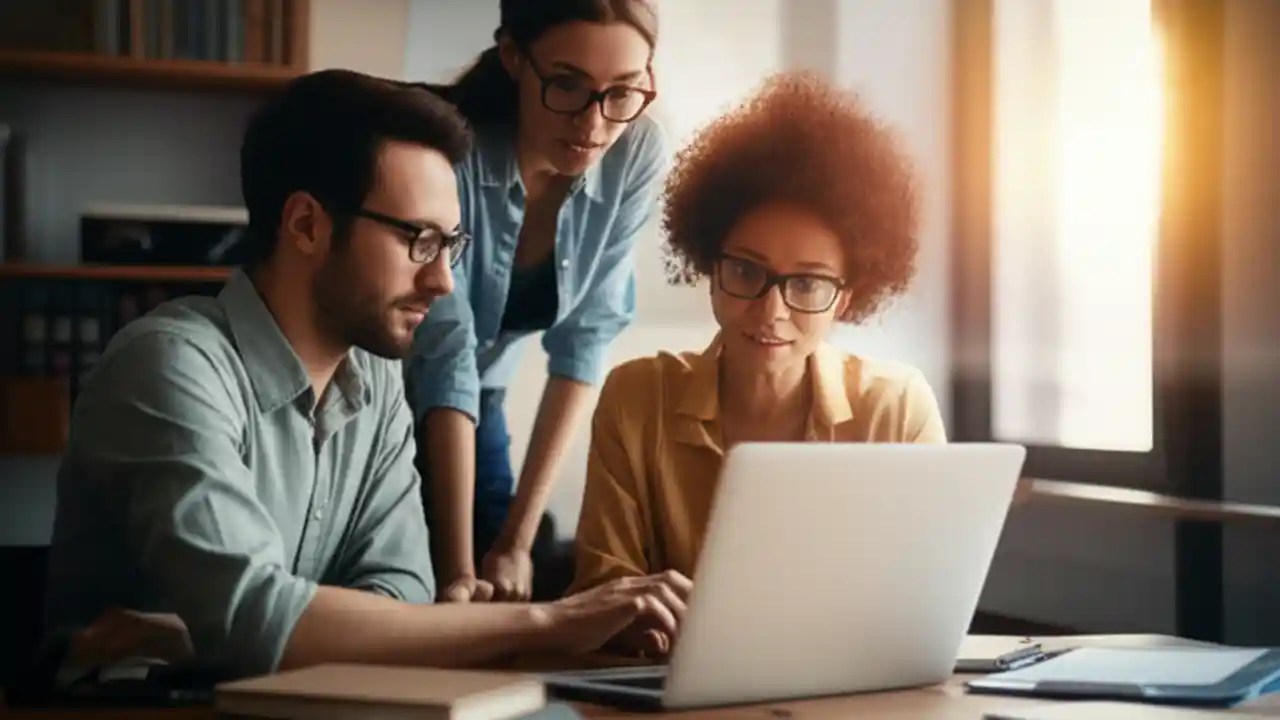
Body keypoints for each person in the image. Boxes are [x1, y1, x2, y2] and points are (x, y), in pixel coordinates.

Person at [42, 69, 687, 680]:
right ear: (306, 225)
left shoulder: (376, 383)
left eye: (451, 247)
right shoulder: (170, 367)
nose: (441, 280)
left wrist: (207, 633)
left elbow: (401, 594)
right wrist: (546, 621)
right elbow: (261, 618)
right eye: (420, 241)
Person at [568, 71, 946, 655]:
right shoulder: (637, 398)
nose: (770, 311)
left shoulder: (895, 409)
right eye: (746, 271)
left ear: (846, 297)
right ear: (710, 270)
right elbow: (600, 601)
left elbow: (920, 604)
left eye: (808, 284)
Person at [405, 0, 666, 604]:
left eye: (623, 91)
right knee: (422, 591)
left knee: (515, 581)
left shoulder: (635, 152)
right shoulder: (451, 152)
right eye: (568, 86)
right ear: (514, 58)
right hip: (385, 388)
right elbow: (446, 351)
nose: (594, 124)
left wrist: (516, 543)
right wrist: (458, 571)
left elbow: (587, 340)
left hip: (484, 393)